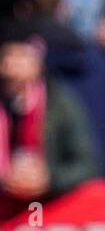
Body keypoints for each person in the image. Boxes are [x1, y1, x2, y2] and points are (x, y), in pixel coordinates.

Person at [0, 29, 98, 202]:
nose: (10, 69)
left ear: (38, 64)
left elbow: (86, 164)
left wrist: (50, 179)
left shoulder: (59, 103)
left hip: (46, 206)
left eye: (20, 58)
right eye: (6, 58)